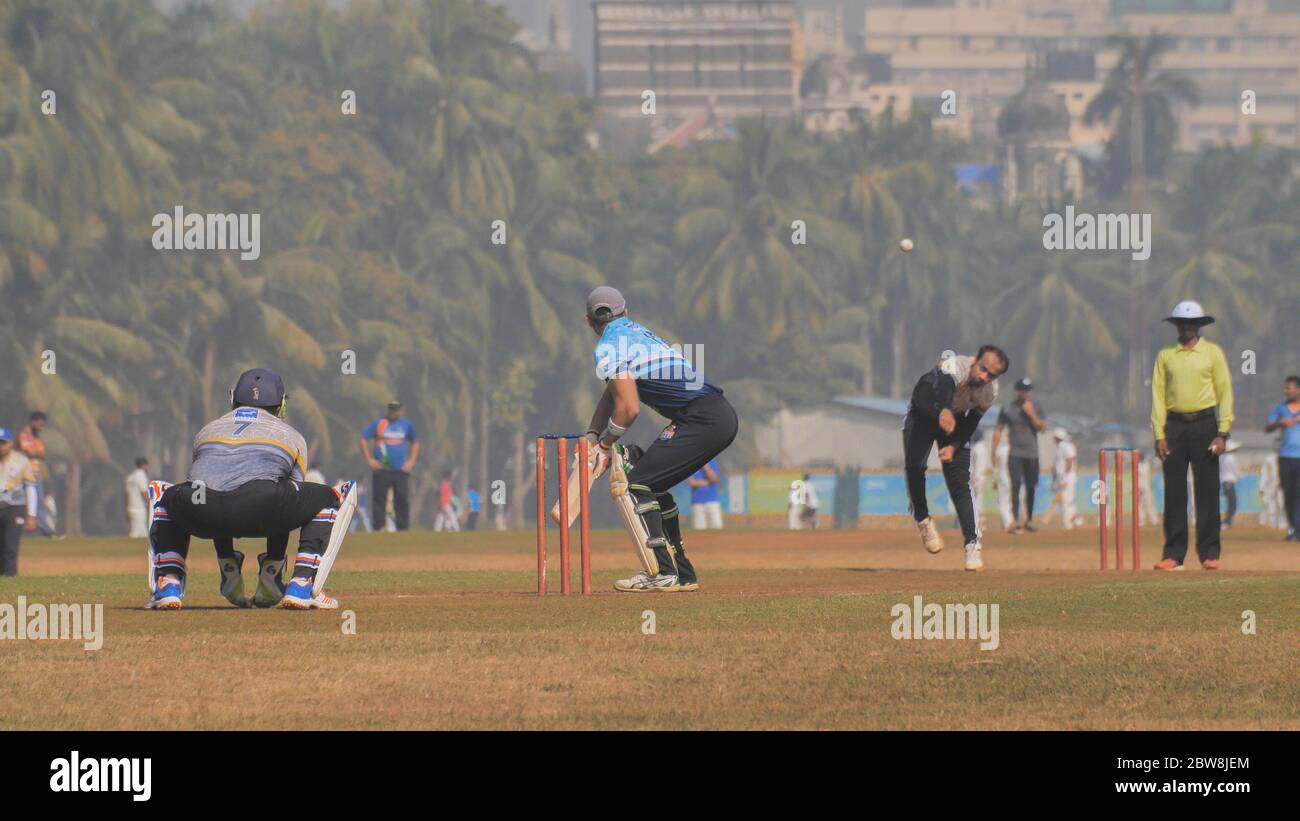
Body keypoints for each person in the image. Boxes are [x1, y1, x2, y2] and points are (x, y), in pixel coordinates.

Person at [146, 368, 357, 610]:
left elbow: (214, 485)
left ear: (233, 398)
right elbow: (287, 496)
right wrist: (275, 561)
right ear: (280, 405)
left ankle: (169, 582)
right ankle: (301, 583)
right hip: (262, 505)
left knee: (166, 494)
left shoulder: (207, 430)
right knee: (331, 496)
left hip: (200, 508)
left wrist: (226, 558)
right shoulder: (292, 435)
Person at [581, 286, 738, 592]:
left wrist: (603, 446)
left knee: (639, 484)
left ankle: (661, 573)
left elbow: (628, 408)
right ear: (626, 313)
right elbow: (613, 394)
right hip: (715, 415)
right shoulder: (637, 333)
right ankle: (681, 573)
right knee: (653, 482)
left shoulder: (608, 346)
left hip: (702, 418)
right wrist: (591, 434)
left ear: (589, 322)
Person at [903, 346, 1009, 571]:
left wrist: (953, 446)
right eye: (982, 369)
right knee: (915, 468)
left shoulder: (990, 392)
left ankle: (972, 544)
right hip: (923, 413)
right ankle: (923, 521)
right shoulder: (956, 364)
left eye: (991, 375)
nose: (984, 377)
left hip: (955, 422)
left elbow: (971, 423)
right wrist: (944, 411)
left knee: (960, 481)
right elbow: (944, 386)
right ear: (975, 360)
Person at [1150, 301, 1234, 570]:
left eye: (1191, 323)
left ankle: (1210, 553)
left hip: (1205, 424)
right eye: (1182, 323)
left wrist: (1223, 433)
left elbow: (1225, 393)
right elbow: (1158, 396)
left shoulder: (1213, 353)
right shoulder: (1165, 355)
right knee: (1174, 492)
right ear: (1176, 325)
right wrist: (1159, 434)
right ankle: (1173, 555)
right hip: (1174, 425)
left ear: (1199, 326)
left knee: (1207, 491)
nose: (1187, 328)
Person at [993, 378, 1048, 533]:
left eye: (1029, 390)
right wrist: (993, 451)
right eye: (1023, 390)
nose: (1027, 393)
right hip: (1015, 453)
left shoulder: (1036, 407)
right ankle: (1015, 520)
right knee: (1015, 486)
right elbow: (998, 429)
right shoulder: (1007, 408)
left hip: (1032, 454)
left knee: (1031, 487)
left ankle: (1029, 519)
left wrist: (1031, 414)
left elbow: (1043, 428)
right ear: (1017, 391)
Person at [358, 401, 418, 531]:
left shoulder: (406, 425)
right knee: (379, 500)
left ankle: (403, 529)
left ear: (400, 411)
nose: (393, 412)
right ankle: (378, 528)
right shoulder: (379, 423)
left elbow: (415, 442)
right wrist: (369, 459)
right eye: (391, 409)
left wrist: (411, 462)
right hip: (382, 469)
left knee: (402, 499)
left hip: (400, 470)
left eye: (396, 410)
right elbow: (363, 439)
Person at [1263, 375, 1300, 540]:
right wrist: (1280, 423)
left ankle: (1298, 527)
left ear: (1298, 389)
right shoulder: (1280, 408)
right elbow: (1267, 427)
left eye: (1289, 388)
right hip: (1285, 456)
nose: (1286, 391)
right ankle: (1292, 526)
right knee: (1289, 493)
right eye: (1285, 388)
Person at [0, 428, 39, 576]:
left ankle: (10, 577)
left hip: (14, 508)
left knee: (10, 545)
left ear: (10, 444)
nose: (0, 446)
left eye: (3, 443)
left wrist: (31, 515)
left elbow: (30, 488)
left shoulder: (21, 462)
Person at [17, 412, 54, 536]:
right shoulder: (24, 435)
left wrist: (35, 453)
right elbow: (27, 453)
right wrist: (35, 453)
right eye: (39, 423)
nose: (41, 426)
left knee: (39, 503)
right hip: (23, 475)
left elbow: (42, 455)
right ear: (32, 422)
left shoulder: (36, 438)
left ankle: (46, 531)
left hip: (34, 473)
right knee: (19, 504)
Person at [1050, 428, 1079, 529]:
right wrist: (1055, 481)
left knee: (1066, 501)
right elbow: (1056, 466)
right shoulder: (1059, 448)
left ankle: (1068, 525)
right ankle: (1076, 521)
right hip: (1061, 477)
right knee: (1066, 501)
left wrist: (1064, 479)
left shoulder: (1067, 446)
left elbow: (1069, 461)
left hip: (1067, 477)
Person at [687, 459, 724, 529]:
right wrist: (707, 482)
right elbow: (692, 483)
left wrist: (706, 466)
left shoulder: (712, 462)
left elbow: (714, 479)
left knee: (717, 527)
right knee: (699, 528)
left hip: (712, 501)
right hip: (697, 502)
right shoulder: (692, 463)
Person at [969, 429, 991, 530]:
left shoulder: (979, 448)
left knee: (978, 492)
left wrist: (976, 479)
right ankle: (977, 519)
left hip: (977, 445)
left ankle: (979, 520)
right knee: (974, 493)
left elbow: (979, 469)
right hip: (971, 445)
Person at [125, 457, 151, 538]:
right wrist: (150, 504)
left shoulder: (130, 477)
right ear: (144, 465)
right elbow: (144, 492)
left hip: (131, 508)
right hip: (139, 508)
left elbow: (126, 495)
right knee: (135, 535)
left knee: (143, 535)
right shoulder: (141, 475)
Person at [1219, 441, 1241, 530]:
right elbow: (1235, 470)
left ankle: (1227, 521)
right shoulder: (1231, 458)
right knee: (1232, 503)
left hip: (1225, 482)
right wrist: (1239, 476)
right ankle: (1226, 522)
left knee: (1230, 503)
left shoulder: (1222, 457)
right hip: (1229, 482)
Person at [1136, 451, 1160, 527]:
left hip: (1146, 488)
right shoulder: (1137, 465)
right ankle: (1141, 521)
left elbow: (1150, 471)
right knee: (1140, 506)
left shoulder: (1146, 465)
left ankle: (1154, 520)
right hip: (1139, 488)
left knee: (1149, 505)